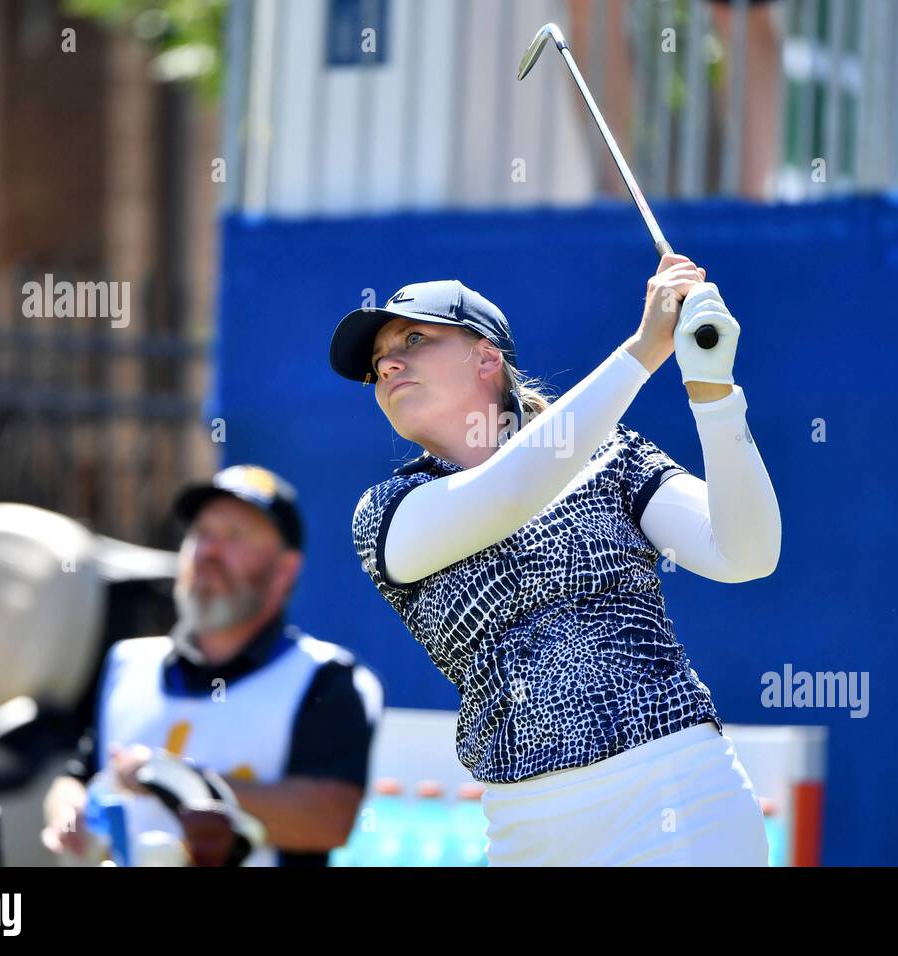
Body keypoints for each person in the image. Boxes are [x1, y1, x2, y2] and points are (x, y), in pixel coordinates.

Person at [327, 257, 780, 865]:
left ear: (487, 358)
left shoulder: (613, 456)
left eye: (414, 339)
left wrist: (714, 395)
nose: (387, 364)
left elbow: (746, 554)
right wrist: (644, 351)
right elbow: (509, 492)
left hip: (677, 791)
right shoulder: (384, 512)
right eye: (378, 362)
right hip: (528, 830)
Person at [41, 465, 382, 866]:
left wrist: (179, 782)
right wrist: (69, 816)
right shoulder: (127, 663)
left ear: (286, 569)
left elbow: (330, 818)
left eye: (235, 536)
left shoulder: (326, 677)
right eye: (201, 534)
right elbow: (76, 778)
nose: (209, 552)